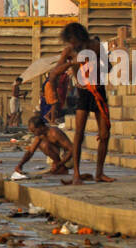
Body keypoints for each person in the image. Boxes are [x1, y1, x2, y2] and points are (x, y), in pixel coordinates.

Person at [47, 22, 112, 184]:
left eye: (74, 41)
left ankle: (99, 173)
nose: (73, 44)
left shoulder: (95, 46)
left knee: (104, 134)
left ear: (81, 37)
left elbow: (109, 67)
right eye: (70, 41)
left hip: (98, 91)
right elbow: (54, 72)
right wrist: (71, 64)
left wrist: (94, 62)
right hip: (82, 93)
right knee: (79, 133)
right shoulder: (69, 51)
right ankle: (76, 174)